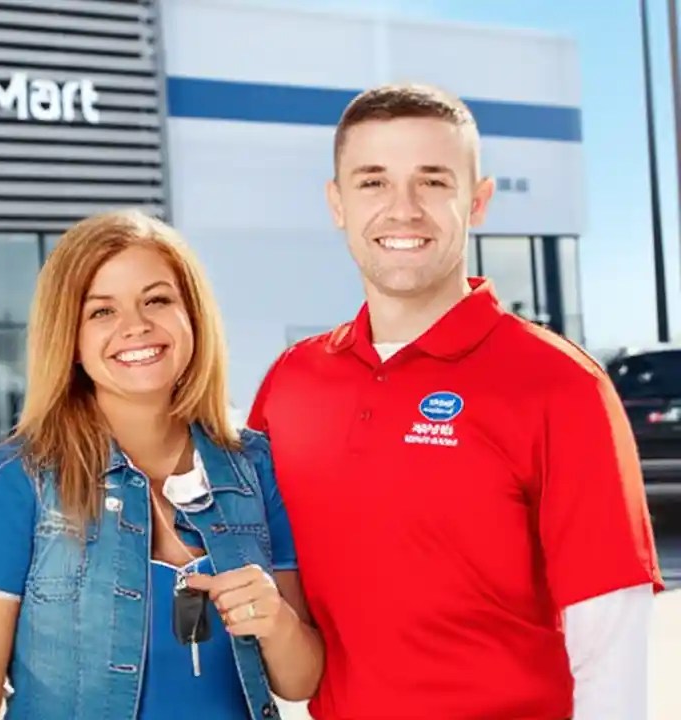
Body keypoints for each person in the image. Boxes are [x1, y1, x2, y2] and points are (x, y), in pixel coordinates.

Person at [247, 83, 664, 720]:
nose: (403, 209)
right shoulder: (291, 383)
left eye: (434, 182)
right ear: (337, 202)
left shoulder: (559, 384)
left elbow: (610, 634)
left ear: (479, 200)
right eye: (373, 182)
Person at [0, 209, 324, 719]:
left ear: (192, 316)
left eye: (157, 300)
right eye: (102, 312)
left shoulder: (256, 467)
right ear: (69, 339)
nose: (136, 327)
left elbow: (300, 682)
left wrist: (276, 621)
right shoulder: (9, 486)